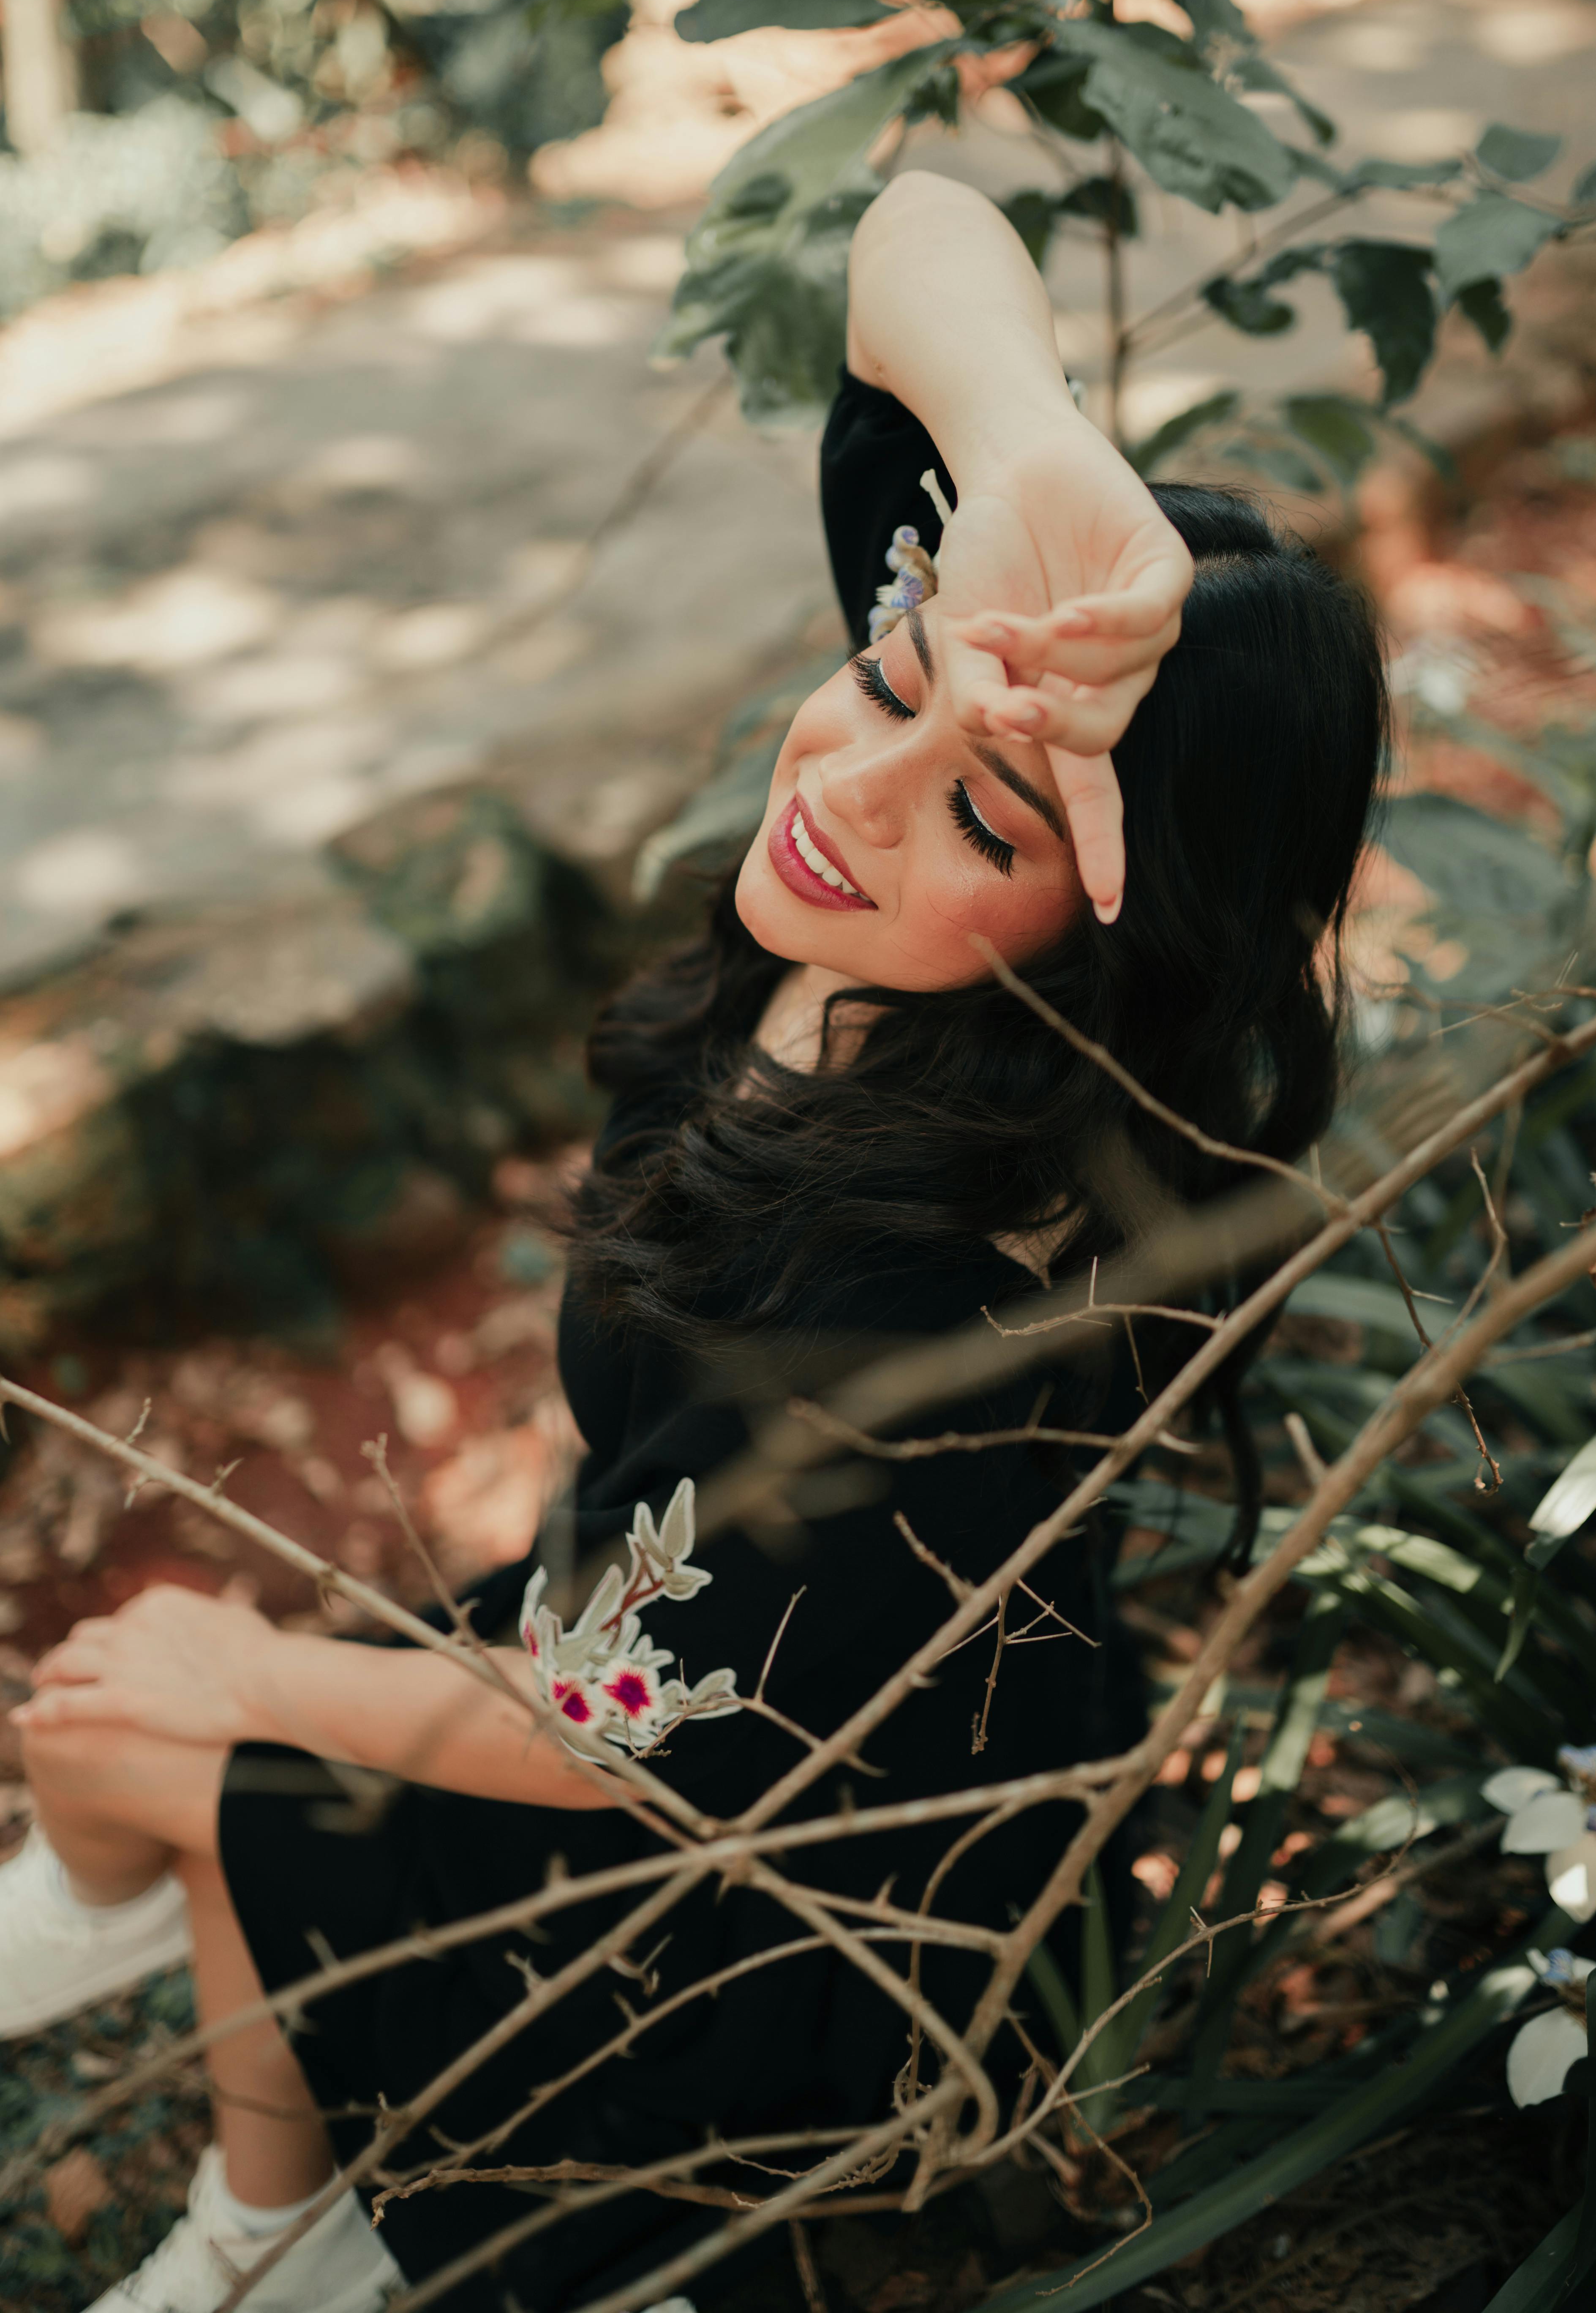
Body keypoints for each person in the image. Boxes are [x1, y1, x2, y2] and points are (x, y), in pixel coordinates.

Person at [0, 173, 1388, 2313]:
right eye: (886, 672)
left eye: (988, 815)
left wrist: (271, 1682)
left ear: (1120, 940)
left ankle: (275, 2231)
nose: (851, 778)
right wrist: (1033, 451)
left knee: (199, 1731)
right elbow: (914, 233)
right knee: (115, 1720)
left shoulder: (895, 1345)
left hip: (752, 1896)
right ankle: (171, 1949)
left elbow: (612, 1746)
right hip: (651, 1623)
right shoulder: (867, 941)